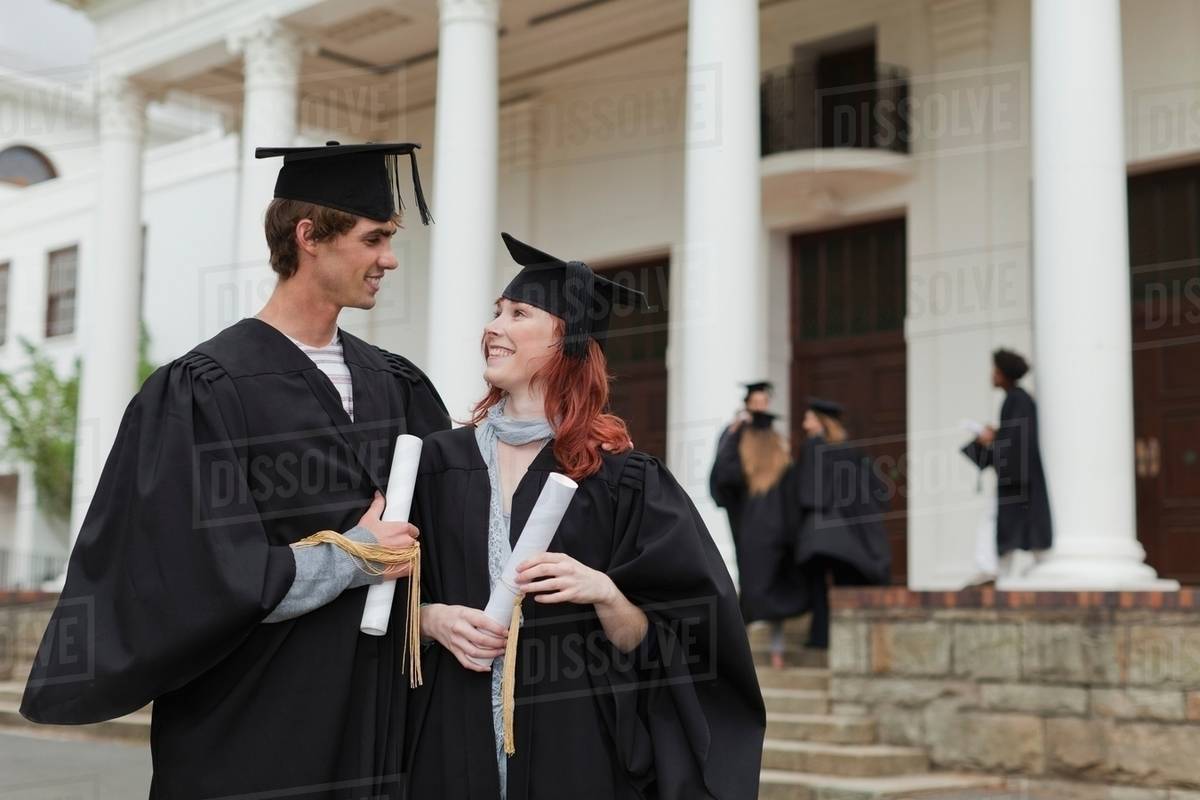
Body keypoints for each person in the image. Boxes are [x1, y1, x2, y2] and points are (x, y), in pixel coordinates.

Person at [21, 142, 448, 799]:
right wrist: (355, 556)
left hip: (372, 717)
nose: (389, 259)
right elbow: (191, 571)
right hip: (250, 721)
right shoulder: (205, 389)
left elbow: (440, 532)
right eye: (374, 239)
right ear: (310, 237)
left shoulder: (397, 384)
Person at [406, 233, 765, 800]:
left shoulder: (621, 479)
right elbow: (382, 598)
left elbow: (681, 640)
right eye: (495, 312)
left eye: (518, 313)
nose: (493, 326)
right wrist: (430, 620)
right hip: (448, 743)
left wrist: (606, 593)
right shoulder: (437, 463)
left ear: (565, 343)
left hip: (578, 753)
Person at [710, 403, 808, 669]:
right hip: (780, 536)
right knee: (775, 592)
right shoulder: (782, 463)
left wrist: (732, 434)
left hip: (753, 537)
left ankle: (736, 652)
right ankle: (776, 651)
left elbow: (723, 475)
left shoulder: (748, 470)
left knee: (753, 595)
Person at [793, 398, 891, 649]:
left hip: (819, 532)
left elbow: (808, 492)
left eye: (809, 418)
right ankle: (845, 639)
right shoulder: (850, 449)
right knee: (844, 584)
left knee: (818, 586)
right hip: (848, 533)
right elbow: (874, 489)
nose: (805, 424)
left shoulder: (813, 447)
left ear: (820, 421)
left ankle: (821, 637)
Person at [962, 348, 1053, 578]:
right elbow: (1014, 436)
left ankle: (989, 570)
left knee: (999, 521)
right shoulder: (1017, 400)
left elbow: (1016, 441)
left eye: (995, 370)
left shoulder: (1017, 400)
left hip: (1018, 479)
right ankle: (994, 571)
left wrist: (991, 439)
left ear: (1003, 373)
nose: (991, 375)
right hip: (1019, 478)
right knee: (1005, 525)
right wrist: (997, 436)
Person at [709, 380, 773, 547]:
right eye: (756, 402)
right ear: (747, 404)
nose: (760, 407)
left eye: (764, 402)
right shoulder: (735, 431)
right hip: (741, 499)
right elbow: (723, 465)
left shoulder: (770, 433)